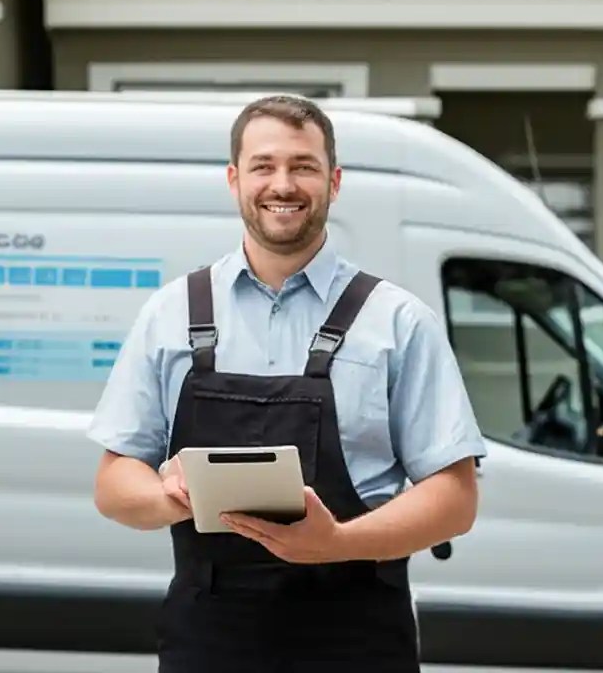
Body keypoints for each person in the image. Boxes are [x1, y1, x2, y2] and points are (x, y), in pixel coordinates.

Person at [87, 94, 488, 672]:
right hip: (211, 641)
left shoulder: (398, 323)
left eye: (304, 166)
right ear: (234, 179)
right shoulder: (171, 314)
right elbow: (114, 484)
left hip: (355, 640)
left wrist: (337, 545)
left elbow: (455, 500)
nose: (284, 184)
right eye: (264, 165)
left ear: (334, 181)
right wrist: (168, 497)